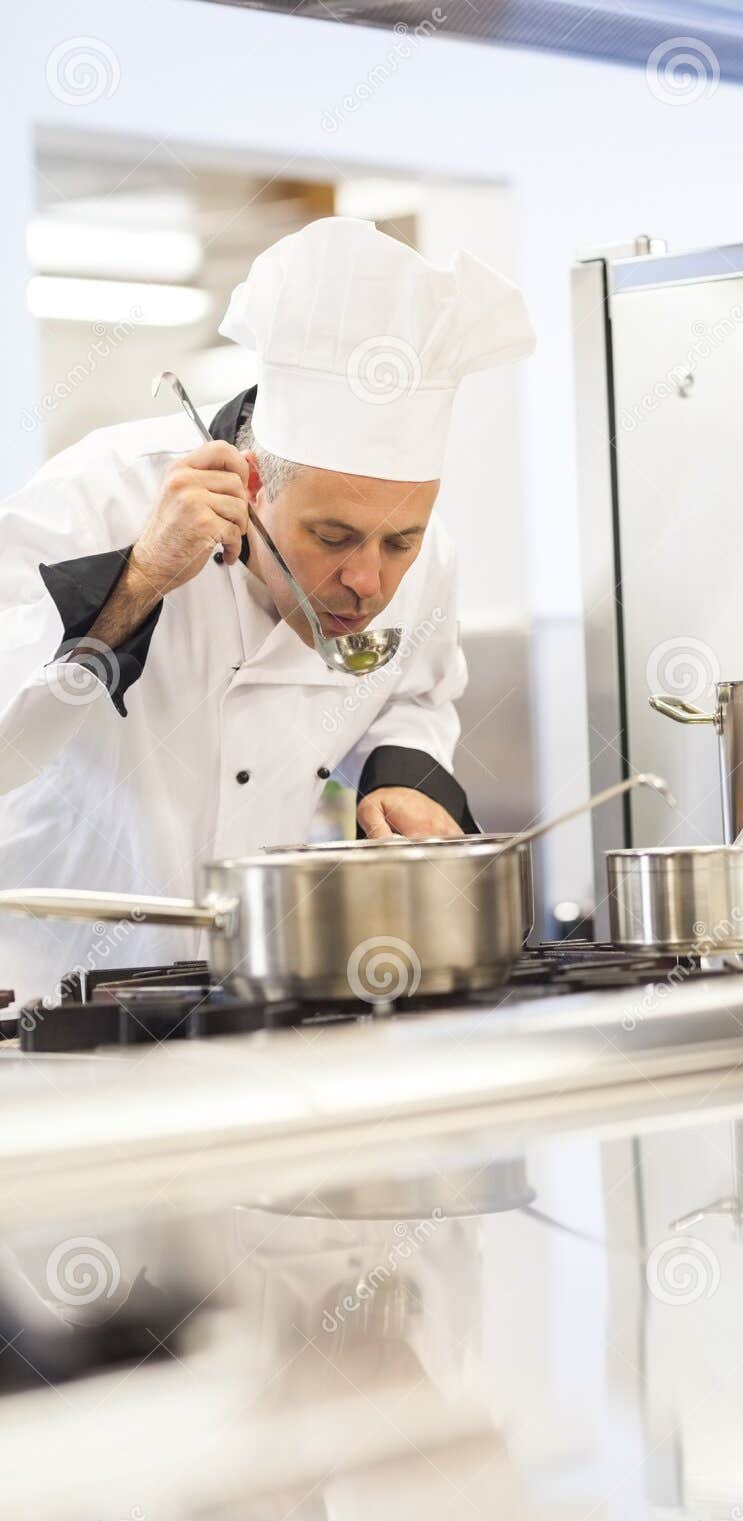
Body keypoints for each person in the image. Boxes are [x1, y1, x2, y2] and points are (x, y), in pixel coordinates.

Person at [0, 218, 535, 1007]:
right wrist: (139, 579)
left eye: (400, 541)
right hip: (49, 989)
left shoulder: (427, 557)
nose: (367, 579)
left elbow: (414, 698)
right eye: (332, 536)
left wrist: (403, 776)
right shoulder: (96, 495)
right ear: (251, 485)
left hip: (260, 983)